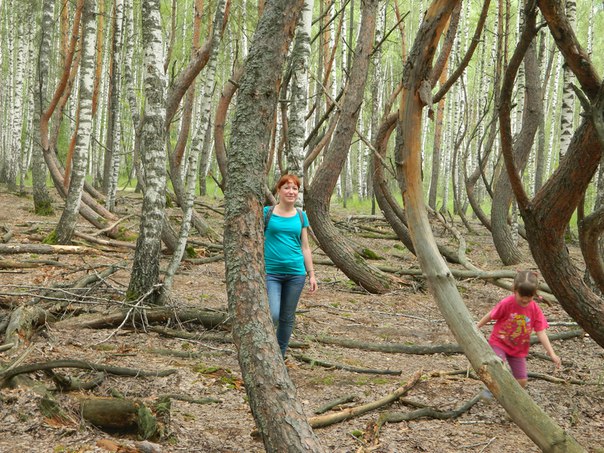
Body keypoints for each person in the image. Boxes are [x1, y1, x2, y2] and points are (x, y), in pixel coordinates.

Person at [477, 270, 561, 388]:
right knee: (498, 366)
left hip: (518, 349)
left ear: (534, 294)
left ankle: (509, 395)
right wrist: (477, 326)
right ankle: (489, 391)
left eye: (529, 297)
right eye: (522, 296)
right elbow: (491, 314)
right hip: (499, 343)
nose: (525, 300)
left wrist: (552, 353)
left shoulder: (534, 309)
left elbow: (541, 332)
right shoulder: (507, 303)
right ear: (514, 290)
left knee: (522, 380)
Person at [263, 174, 317, 358]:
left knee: (287, 317)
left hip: (296, 274)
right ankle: (266, 349)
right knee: (273, 314)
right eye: (286, 187)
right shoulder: (266, 213)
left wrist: (311, 274)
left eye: (294, 188)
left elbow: (305, 247)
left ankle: (279, 355)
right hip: (271, 273)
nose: (291, 191)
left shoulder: (301, 216)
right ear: (278, 190)